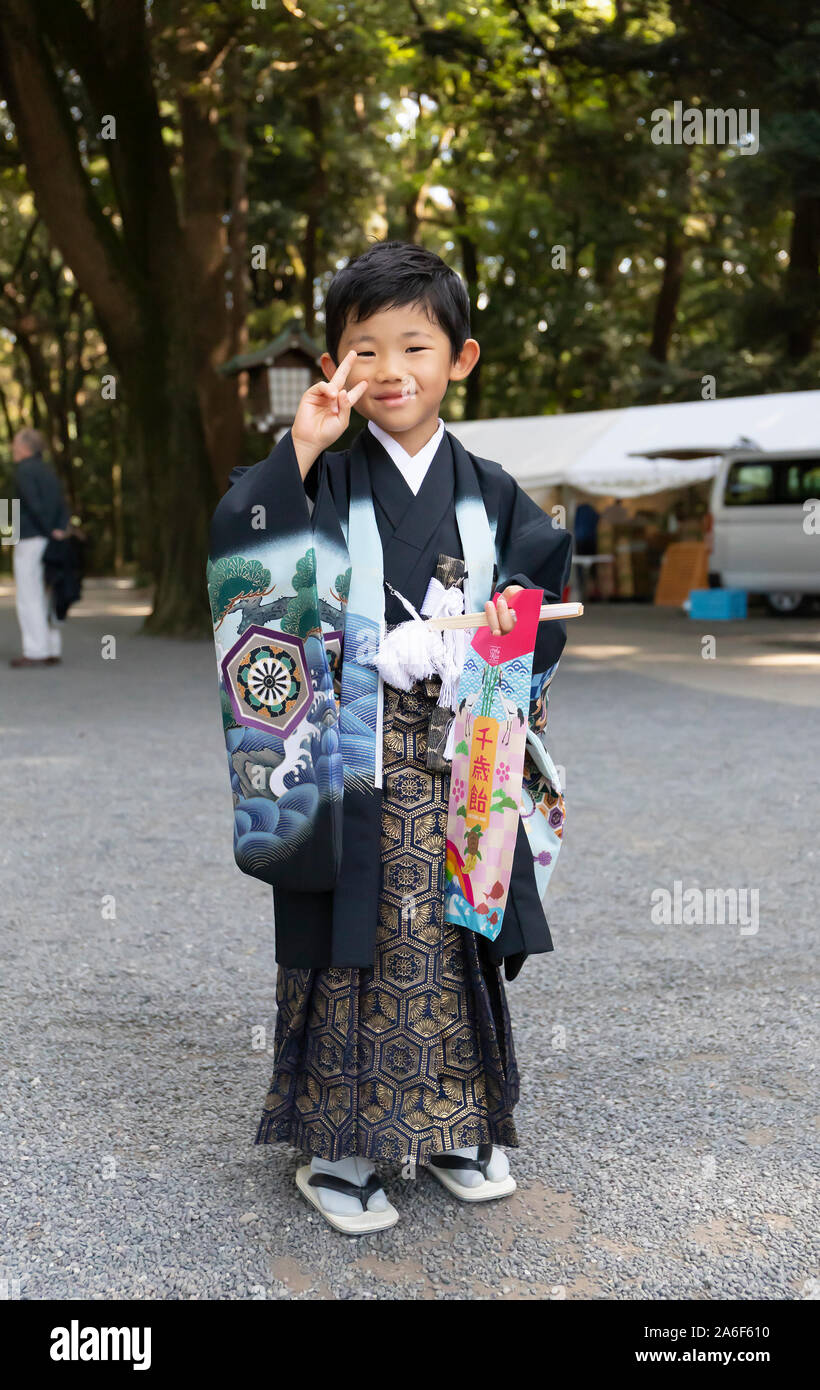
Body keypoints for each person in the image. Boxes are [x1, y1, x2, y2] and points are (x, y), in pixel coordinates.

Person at [208, 241, 572, 1233]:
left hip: (462, 758)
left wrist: (478, 646)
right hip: (347, 763)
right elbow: (245, 545)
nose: (388, 369)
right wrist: (299, 451)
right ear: (335, 363)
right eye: (362, 348)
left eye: (414, 343)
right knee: (350, 939)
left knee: (458, 936)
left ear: (462, 357)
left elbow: (542, 595)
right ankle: (336, 1147)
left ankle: (457, 1124)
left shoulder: (487, 487)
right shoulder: (318, 475)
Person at [9, 427, 70, 668]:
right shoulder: (48, 471)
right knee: (45, 592)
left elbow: (30, 505)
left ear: (25, 447)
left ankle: (35, 651)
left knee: (28, 594)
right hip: (48, 539)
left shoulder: (23, 471)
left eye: (15, 443)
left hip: (29, 537)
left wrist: (8, 537)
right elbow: (62, 504)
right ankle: (50, 646)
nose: (13, 447)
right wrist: (59, 530)